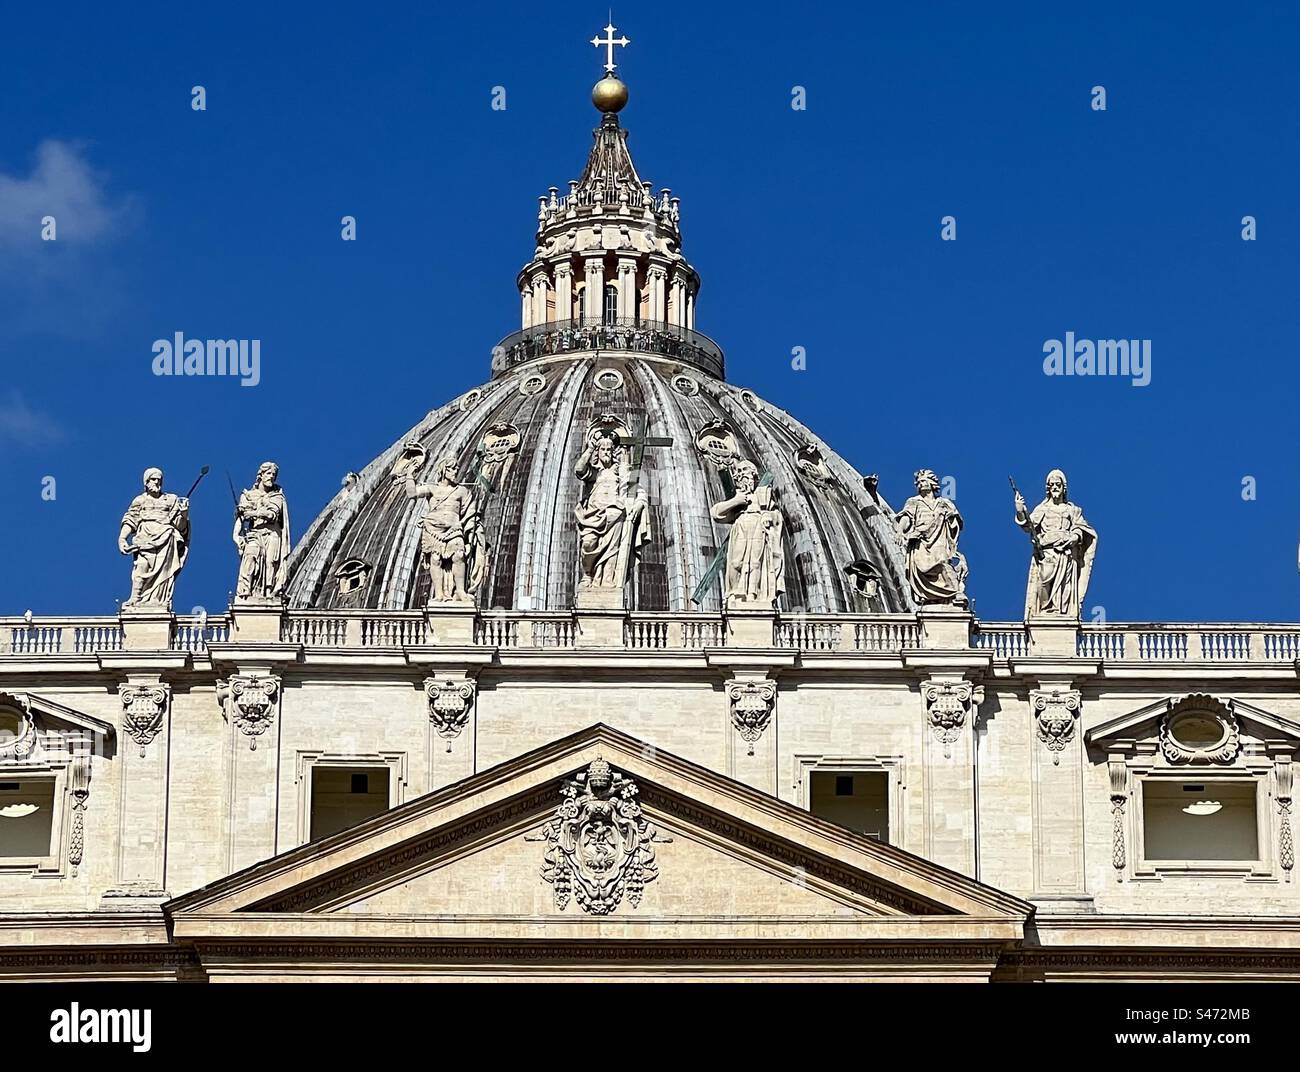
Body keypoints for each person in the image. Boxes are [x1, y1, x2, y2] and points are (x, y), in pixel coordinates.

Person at [1015, 468, 1097, 618]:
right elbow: (1029, 526)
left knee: (1066, 588)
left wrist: (1075, 537)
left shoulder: (1072, 510)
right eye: (1051, 485)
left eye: (1057, 485)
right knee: (1044, 580)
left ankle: (1062, 614)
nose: (1054, 488)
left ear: (1063, 487)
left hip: (1066, 554)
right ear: (1048, 488)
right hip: (1048, 552)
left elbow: (1081, 528)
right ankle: (1045, 611)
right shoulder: (1043, 508)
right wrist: (1020, 511)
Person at [119, 468, 190, 609]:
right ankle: (135, 598)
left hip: (165, 536)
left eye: (159, 479)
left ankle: (157, 600)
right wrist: (122, 538)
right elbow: (131, 520)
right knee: (141, 567)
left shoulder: (171, 499)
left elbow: (180, 526)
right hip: (144, 537)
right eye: (153, 479)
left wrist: (183, 514)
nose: (157, 482)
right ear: (146, 482)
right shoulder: (140, 500)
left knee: (163, 572)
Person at [895, 469, 966, 605]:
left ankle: (954, 592)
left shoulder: (944, 503)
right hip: (920, 540)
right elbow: (907, 518)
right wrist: (900, 531)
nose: (920, 484)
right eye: (919, 482)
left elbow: (955, 522)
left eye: (923, 481)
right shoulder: (913, 501)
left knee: (943, 564)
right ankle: (932, 596)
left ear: (932, 484)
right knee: (923, 568)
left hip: (939, 538)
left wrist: (951, 520)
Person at [233, 462, 290, 602]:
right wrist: (236, 536)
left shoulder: (277, 496)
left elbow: (272, 515)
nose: (272, 477)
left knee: (271, 563)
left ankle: (269, 594)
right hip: (254, 534)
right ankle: (245, 592)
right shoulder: (248, 495)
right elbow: (240, 519)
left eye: (274, 475)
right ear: (261, 475)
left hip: (272, 534)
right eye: (269, 474)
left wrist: (251, 512)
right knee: (250, 557)